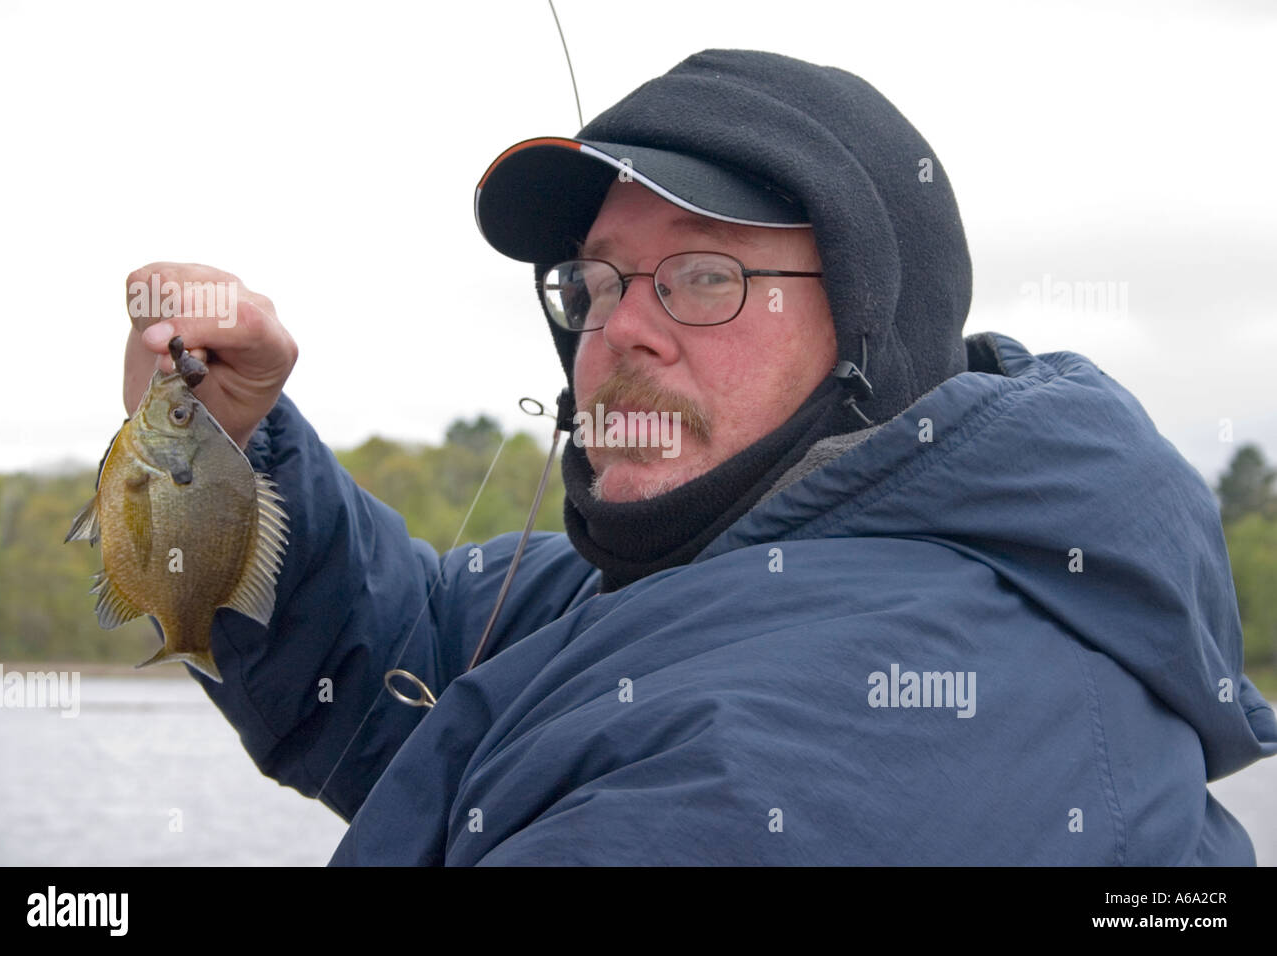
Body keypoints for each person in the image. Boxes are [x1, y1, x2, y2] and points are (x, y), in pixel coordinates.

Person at [124, 49, 1275, 865]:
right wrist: (211, 452)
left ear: (872, 325)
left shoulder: (832, 731)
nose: (619, 327)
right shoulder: (691, 570)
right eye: (597, 281)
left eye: (706, 276)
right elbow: (410, 667)